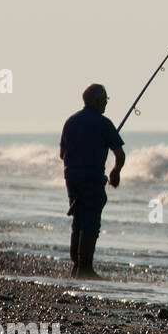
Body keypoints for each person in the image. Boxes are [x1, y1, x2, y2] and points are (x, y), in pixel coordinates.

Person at [59, 84, 126, 278]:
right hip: (93, 178)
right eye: (105, 99)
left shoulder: (70, 122)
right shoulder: (104, 123)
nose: (106, 103)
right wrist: (115, 172)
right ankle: (86, 267)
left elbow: (62, 154)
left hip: (71, 177)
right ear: (97, 100)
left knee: (78, 217)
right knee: (91, 221)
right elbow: (120, 155)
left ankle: (77, 266)